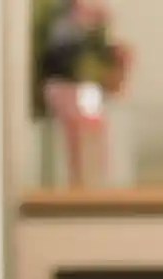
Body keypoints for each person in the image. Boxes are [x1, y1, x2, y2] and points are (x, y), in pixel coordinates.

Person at [40, 0, 129, 187]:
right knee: (75, 133)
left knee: (95, 130)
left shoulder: (95, 32)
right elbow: (60, 58)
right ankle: (78, 180)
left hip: (84, 87)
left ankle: (96, 179)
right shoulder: (62, 25)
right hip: (65, 85)